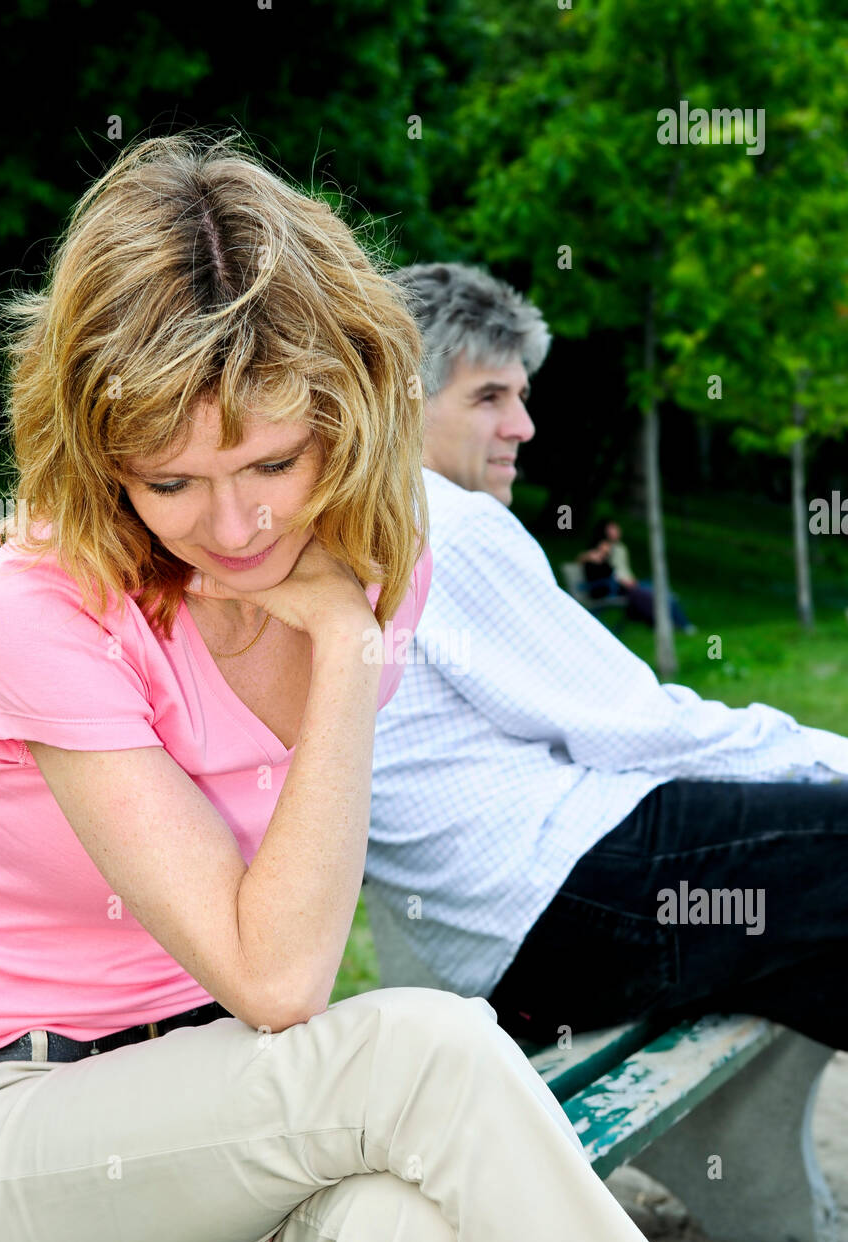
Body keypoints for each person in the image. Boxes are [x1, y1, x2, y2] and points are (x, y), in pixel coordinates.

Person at [0, 134, 690, 1242]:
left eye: (269, 461)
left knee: (400, 1240)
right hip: (26, 1128)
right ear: (103, 462)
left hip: (213, 1092)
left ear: (345, 410)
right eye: (168, 481)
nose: (233, 524)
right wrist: (348, 654)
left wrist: (346, 634)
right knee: (435, 1053)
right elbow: (278, 976)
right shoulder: (40, 606)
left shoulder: (375, 564)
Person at [363, 261, 848, 1062]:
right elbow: (639, 727)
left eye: (520, 396)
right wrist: (831, 758)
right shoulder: (442, 524)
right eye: (488, 398)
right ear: (399, 402)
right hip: (562, 895)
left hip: (509, 939)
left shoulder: (372, 524)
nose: (521, 425)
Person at [577, 519, 696, 633]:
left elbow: (618, 572)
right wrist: (595, 556)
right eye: (612, 528)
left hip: (625, 586)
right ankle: (675, 623)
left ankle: (676, 620)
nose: (617, 530)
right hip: (614, 589)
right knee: (652, 596)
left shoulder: (617, 550)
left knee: (661, 593)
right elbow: (608, 574)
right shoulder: (594, 558)